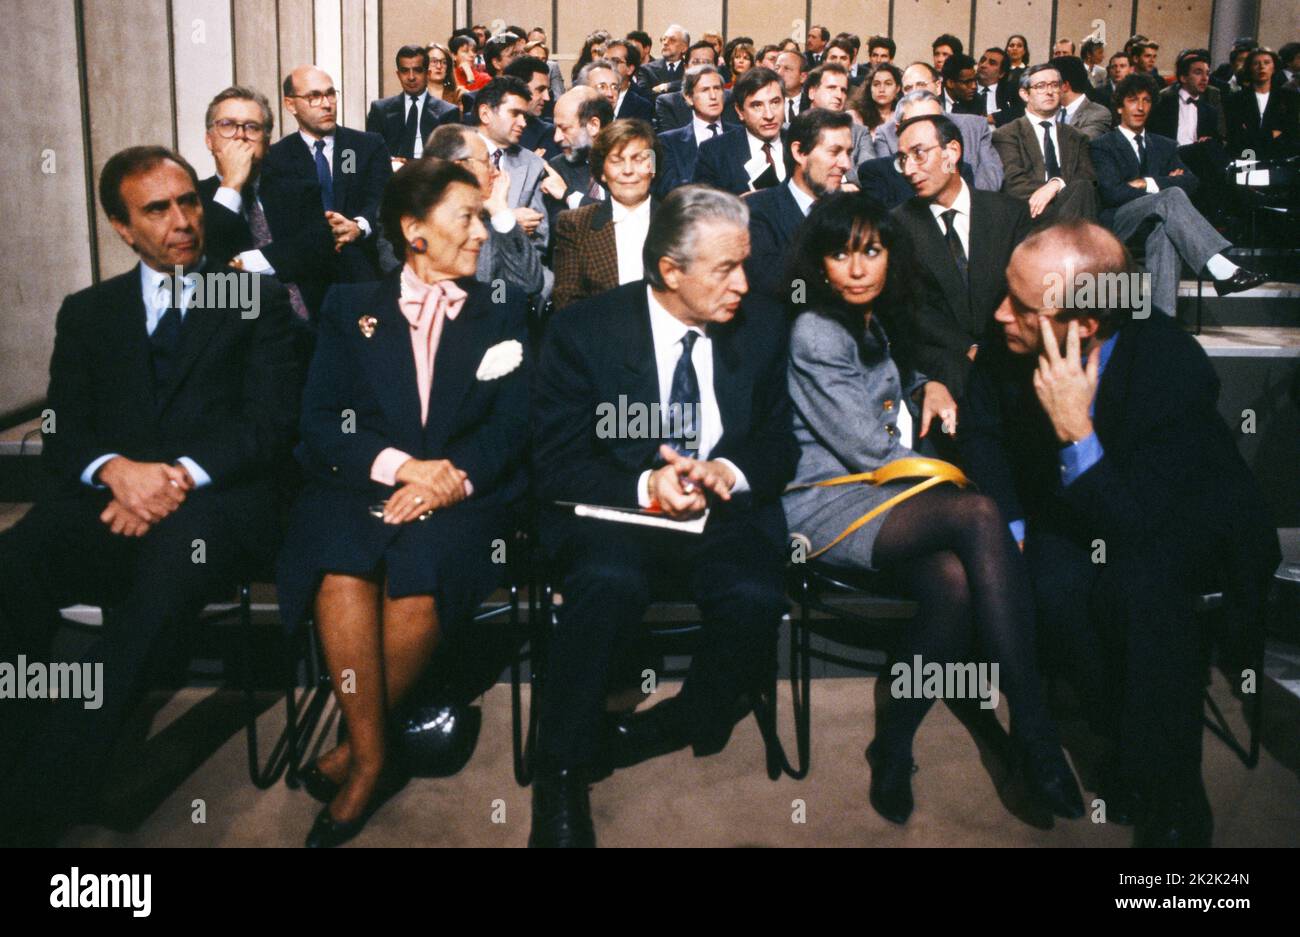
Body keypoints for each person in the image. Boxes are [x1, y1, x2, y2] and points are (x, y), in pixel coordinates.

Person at [0, 146, 300, 844]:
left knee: (161, 585)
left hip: (217, 508)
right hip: (111, 500)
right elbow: (65, 429)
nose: (182, 221)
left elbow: (271, 422)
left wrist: (176, 476)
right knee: (14, 561)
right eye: (157, 210)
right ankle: (17, 739)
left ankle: (41, 803)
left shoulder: (248, 297)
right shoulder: (90, 311)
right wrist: (114, 470)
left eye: (189, 201)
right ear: (121, 226)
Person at [962, 220, 1279, 846]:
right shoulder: (1014, 335)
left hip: (1177, 526)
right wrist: (1015, 524)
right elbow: (982, 431)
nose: (1000, 314)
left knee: (1146, 597)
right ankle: (1119, 735)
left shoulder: (1170, 367)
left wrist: (1079, 436)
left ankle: (1173, 798)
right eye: (1006, 293)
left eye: (1022, 306)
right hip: (1070, 519)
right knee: (1053, 589)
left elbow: (1144, 526)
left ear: (1083, 324)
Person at [782, 191, 1082, 826]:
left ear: (891, 254)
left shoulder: (873, 320)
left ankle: (891, 744)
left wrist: (931, 383)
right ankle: (1034, 730)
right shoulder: (815, 330)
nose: (859, 268)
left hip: (884, 493)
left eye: (872, 250)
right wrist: (941, 465)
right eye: (841, 254)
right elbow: (869, 446)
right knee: (976, 513)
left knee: (952, 585)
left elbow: (891, 390)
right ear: (820, 265)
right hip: (826, 502)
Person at [530, 186, 798, 848]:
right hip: (616, 508)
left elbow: (776, 440)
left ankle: (682, 718)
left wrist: (726, 473)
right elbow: (555, 460)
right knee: (607, 583)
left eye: (746, 264)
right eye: (725, 269)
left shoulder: (761, 324)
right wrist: (648, 483)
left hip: (718, 510)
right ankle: (560, 770)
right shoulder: (585, 330)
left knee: (758, 594)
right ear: (669, 271)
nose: (744, 283)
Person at [278, 158, 529, 847]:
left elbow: (514, 426)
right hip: (363, 481)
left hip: (463, 494)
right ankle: (374, 751)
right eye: (466, 217)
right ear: (415, 231)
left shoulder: (502, 309)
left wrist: (449, 478)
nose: (482, 232)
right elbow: (323, 421)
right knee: (341, 565)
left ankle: (360, 754)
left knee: (419, 573)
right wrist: (404, 468)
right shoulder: (348, 305)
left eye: (482, 216)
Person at [1090, 74, 1267, 314]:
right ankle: (1219, 267)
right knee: (1171, 195)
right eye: (1133, 100)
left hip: (1159, 222)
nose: (1140, 107)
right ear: (1120, 106)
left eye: (1146, 100)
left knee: (1165, 231)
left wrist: (1145, 182)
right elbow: (1112, 193)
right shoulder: (1103, 145)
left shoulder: (1164, 145)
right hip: (1121, 223)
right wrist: (1163, 185)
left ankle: (1162, 321)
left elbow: (1191, 182)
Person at [891, 113, 1030, 399]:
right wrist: (966, 349)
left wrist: (991, 348)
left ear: (951, 152)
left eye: (918, 154)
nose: (908, 169)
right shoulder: (896, 225)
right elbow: (911, 307)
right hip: (941, 362)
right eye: (902, 159)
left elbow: (1021, 290)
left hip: (1010, 350)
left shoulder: (1010, 213)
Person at [199, 85, 335, 321]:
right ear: (209, 140)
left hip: (308, 329)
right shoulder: (191, 199)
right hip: (235, 332)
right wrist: (231, 185)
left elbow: (317, 248)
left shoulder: (300, 189)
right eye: (228, 125)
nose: (240, 135)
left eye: (252, 127)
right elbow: (204, 272)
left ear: (267, 141)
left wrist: (242, 264)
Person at [270, 66, 393, 283]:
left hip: (362, 268)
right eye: (314, 97)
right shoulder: (277, 157)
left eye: (330, 94)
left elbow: (382, 199)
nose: (327, 104)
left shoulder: (363, 147)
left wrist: (358, 225)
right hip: (303, 275)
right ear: (290, 104)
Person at [744, 108, 854, 299]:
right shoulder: (758, 211)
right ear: (799, 152)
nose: (846, 164)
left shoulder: (851, 211)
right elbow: (786, 290)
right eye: (834, 152)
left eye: (848, 153)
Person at [424, 124, 545, 297]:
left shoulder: (491, 218)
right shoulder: (411, 213)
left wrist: (501, 211)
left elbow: (528, 284)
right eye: (487, 162)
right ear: (461, 167)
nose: (496, 172)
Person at [551, 119, 659, 310]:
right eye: (616, 161)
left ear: (652, 168)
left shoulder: (681, 220)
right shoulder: (575, 225)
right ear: (602, 172)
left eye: (639, 159)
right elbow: (567, 304)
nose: (628, 171)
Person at [992, 63, 1098, 225]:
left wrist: (1055, 185)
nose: (1049, 92)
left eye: (1054, 85)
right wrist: (1052, 190)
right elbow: (1014, 183)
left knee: (1083, 187)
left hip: (1072, 206)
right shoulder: (1007, 134)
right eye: (1040, 86)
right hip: (1031, 210)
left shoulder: (1077, 137)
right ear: (1024, 94)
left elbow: (1088, 177)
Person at [875, 86, 1004, 192]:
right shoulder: (886, 135)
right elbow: (889, 186)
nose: (927, 128)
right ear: (898, 127)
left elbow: (990, 176)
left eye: (934, 121)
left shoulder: (974, 129)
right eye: (916, 123)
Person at [475, 77, 549, 256]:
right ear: (485, 114)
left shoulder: (533, 165)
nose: (523, 123)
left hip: (515, 269)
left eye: (524, 115)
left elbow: (540, 238)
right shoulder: (452, 153)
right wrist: (506, 220)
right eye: (514, 113)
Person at [695, 67, 787, 195]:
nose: (769, 115)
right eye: (757, 105)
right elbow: (702, 208)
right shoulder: (714, 152)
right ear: (739, 111)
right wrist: (739, 206)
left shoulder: (804, 143)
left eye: (775, 102)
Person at [366, 45, 461, 162]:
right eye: (405, 71)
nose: (411, 77)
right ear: (398, 74)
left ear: (428, 73)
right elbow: (371, 152)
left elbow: (452, 157)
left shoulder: (448, 112)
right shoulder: (380, 110)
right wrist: (390, 162)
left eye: (417, 70)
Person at [540, 86, 614, 228]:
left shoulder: (638, 160)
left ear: (593, 125)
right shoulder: (556, 169)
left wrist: (569, 195)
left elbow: (627, 219)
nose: (556, 137)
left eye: (564, 128)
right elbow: (562, 227)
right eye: (556, 128)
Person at [654, 65, 731, 189]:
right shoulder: (667, 142)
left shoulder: (741, 133)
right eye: (705, 90)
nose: (713, 96)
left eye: (717, 88)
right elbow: (667, 188)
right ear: (689, 98)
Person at [1225, 47, 1300, 160]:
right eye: (1256, 63)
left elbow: (1291, 132)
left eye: (1267, 62)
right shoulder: (1236, 99)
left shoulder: (1289, 98)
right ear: (1249, 68)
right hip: (1247, 156)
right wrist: (1271, 134)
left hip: (1280, 158)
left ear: (1274, 68)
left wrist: (1254, 133)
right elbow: (1236, 135)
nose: (1261, 67)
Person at [805, 63, 875, 177]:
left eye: (843, 90)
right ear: (812, 92)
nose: (839, 95)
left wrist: (841, 183)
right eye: (832, 88)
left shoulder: (859, 133)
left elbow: (871, 173)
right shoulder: (789, 130)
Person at [653, 43, 730, 132]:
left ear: (716, 68)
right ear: (686, 67)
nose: (701, 67)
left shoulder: (729, 99)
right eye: (696, 62)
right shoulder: (669, 103)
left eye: (707, 63)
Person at [503, 55, 562, 159]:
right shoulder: (477, 127)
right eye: (540, 90)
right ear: (518, 88)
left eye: (547, 91)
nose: (547, 98)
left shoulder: (548, 135)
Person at [1055, 56, 1115, 139]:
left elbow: (1082, 144)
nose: (1047, 90)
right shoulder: (1050, 110)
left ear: (1064, 86)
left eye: (1051, 84)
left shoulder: (1098, 114)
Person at [604, 39, 654, 121]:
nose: (607, 66)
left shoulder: (642, 105)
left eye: (615, 61)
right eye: (605, 61)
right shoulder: (591, 97)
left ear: (630, 69)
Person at [972, 47, 1022, 125]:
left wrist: (996, 118)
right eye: (982, 60)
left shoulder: (1010, 91)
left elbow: (1020, 112)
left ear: (1001, 73)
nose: (983, 65)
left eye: (992, 63)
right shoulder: (966, 89)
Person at [636, 24, 690, 95]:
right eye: (664, 39)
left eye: (672, 40)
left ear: (684, 47)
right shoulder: (647, 70)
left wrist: (667, 86)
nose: (665, 43)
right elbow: (643, 96)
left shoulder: (691, 69)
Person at [850, 62, 901, 134]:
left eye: (888, 84)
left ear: (897, 89)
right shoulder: (855, 116)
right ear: (870, 88)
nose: (881, 89)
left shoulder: (901, 118)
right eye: (876, 84)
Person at [774, 50, 808, 126]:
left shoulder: (812, 105)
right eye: (777, 68)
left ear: (802, 77)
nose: (779, 73)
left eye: (787, 69)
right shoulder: (768, 104)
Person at [426, 42, 465, 107]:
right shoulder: (416, 95)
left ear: (448, 68)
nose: (439, 66)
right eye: (434, 61)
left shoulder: (459, 94)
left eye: (444, 62)